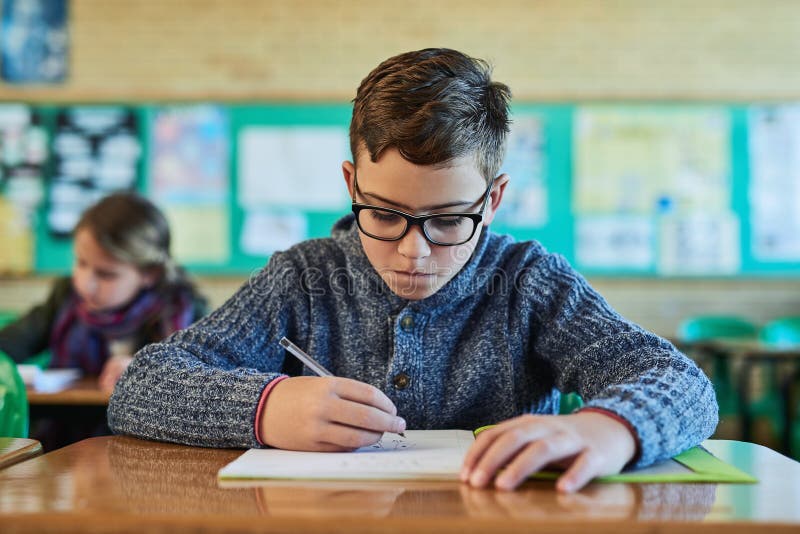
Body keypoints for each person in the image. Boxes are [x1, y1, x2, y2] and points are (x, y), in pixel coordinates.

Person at [108, 48, 718, 493]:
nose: (413, 251)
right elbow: (142, 386)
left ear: (493, 199)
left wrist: (607, 431)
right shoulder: (305, 278)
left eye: (449, 220)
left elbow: (679, 381)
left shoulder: (528, 281)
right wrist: (268, 406)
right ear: (352, 183)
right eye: (384, 213)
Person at [0, 192, 207, 393]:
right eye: (81, 263)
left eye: (106, 275)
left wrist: (149, 370)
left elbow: (205, 381)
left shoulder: (184, 315)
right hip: (66, 422)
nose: (85, 284)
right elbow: (8, 346)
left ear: (150, 273)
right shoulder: (66, 297)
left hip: (138, 427)